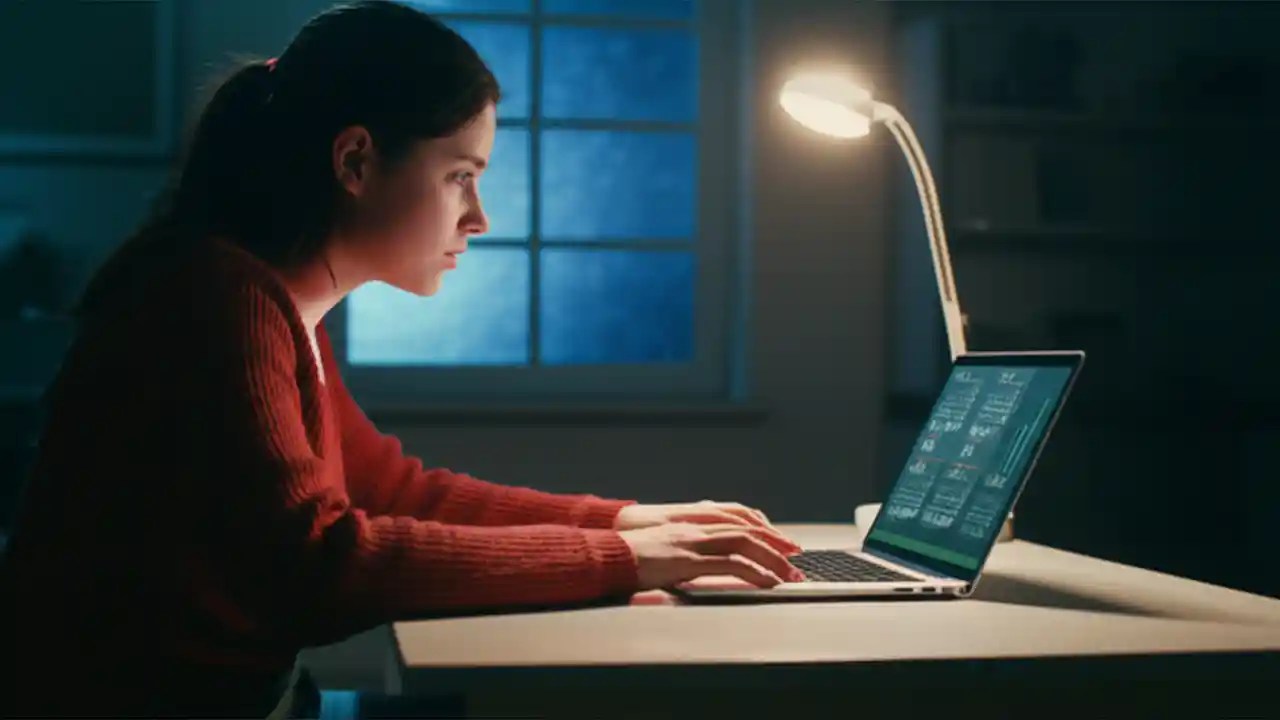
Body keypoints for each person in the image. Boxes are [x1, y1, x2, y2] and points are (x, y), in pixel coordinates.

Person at [0, 2, 803, 717]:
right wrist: (623, 559)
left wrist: (629, 521)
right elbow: (320, 566)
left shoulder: (275, 304)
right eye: (460, 176)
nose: (479, 217)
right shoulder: (219, 300)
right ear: (354, 162)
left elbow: (392, 489)